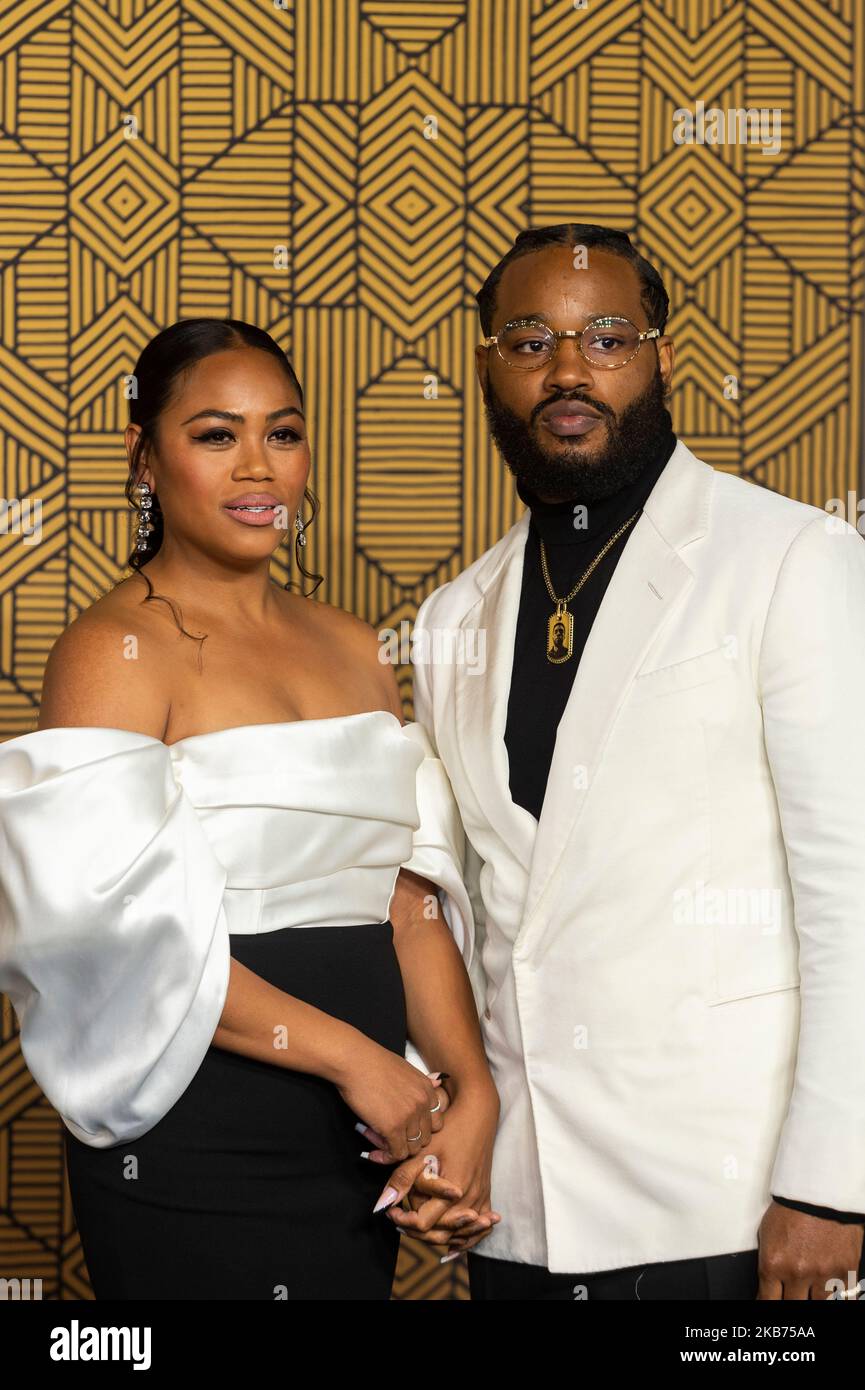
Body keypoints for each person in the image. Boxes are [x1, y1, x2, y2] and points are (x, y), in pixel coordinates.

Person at [381, 223, 865, 1300]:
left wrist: (834, 1184)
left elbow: (853, 886)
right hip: (521, 1208)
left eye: (605, 336)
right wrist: (434, 1118)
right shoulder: (453, 616)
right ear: (485, 368)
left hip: (732, 1202)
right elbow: (450, 908)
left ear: (659, 353)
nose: (567, 369)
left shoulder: (789, 558)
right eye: (527, 338)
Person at [0, 317, 501, 1300]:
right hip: (199, 1119)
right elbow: (111, 932)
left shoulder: (355, 645)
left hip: (363, 1129)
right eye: (216, 434)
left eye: (283, 431)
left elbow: (408, 899)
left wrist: (465, 1090)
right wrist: (358, 1061)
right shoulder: (113, 651)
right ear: (145, 458)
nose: (258, 468)